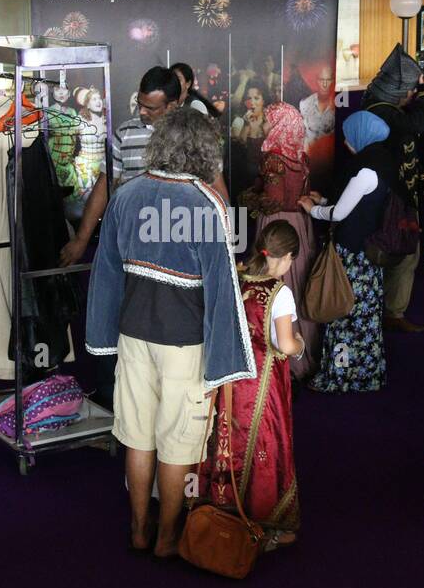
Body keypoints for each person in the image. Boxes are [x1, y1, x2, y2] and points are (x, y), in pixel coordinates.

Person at [86, 108, 251, 558]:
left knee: (137, 438)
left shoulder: (125, 195)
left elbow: (105, 274)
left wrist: (100, 338)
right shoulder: (205, 204)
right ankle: (166, 540)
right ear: (202, 150)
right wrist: (227, 363)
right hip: (185, 344)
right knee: (177, 442)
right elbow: (222, 289)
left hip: (132, 336)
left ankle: (139, 528)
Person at [196, 220, 304, 551]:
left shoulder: (239, 278)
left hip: (231, 375)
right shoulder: (279, 292)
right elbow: (285, 345)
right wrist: (300, 344)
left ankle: (224, 506)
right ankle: (267, 518)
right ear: (287, 257)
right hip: (264, 381)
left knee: (228, 436)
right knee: (266, 443)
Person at [301, 110, 396, 393]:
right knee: (365, 319)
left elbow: (340, 213)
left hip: (353, 256)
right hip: (369, 255)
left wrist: (313, 209)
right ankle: (367, 373)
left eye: (349, 135)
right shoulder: (383, 160)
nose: (345, 141)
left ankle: (343, 376)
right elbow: (360, 204)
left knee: (343, 311)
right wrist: (327, 200)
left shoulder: (364, 169)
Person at [364, 44, 424, 333]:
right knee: (405, 254)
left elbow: (408, 148)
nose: (413, 94)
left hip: (388, 195)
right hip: (392, 200)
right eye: (411, 90)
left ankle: (387, 310)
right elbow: (414, 123)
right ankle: (393, 312)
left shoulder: (379, 108)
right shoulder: (384, 112)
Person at [59, 66, 184, 267]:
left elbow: (215, 188)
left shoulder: (192, 136)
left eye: (150, 108)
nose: (141, 111)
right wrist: (81, 240)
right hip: (133, 243)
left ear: (172, 106)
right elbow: (104, 187)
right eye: (140, 104)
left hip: (180, 243)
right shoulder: (125, 133)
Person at [240, 102, 318, 378]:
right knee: (296, 285)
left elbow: (272, 201)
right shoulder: (299, 156)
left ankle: (281, 361)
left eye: (269, 121)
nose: (264, 125)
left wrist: (248, 198)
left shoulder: (274, 157)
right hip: (299, 224)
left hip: (276, 224)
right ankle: (300, 352)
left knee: (275, 284)